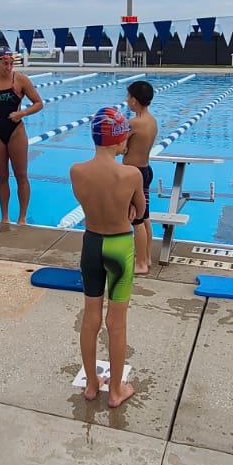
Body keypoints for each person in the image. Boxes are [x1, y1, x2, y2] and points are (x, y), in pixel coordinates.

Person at [69, 106, 147, 409]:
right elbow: (139, 212)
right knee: (117, 323)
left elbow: (86, 201)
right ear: (120, 139)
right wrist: (127, 210)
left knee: (90, 319)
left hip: (91, 245)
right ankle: (115, 390)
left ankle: (92, 384)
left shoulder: (77, 171)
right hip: (118, 249)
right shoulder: (131, 174)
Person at [0, 47, 45, 226]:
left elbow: (38, 103)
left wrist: (22, 113)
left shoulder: (20, 80)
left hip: (16, 132)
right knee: (2, 177)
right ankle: (4, 217)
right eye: (5, 63)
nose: (9, 67)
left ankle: (22, 218)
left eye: (11, 64)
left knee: (21, 176)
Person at [122, 81, 159, 274]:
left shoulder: (134, 123)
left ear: (135, 101)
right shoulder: (152, 120)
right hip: (145, 170)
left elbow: (121, 148)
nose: (126, 100)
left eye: (128, 97)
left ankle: (141, 264)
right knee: (144, 218)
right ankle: (147, 257)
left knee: (136, 220)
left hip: (133, 173)